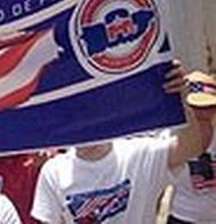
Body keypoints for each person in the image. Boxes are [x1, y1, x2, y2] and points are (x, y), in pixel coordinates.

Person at [31, 62, 215, 224]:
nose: (83, 126)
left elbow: (192, 147)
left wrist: (182, 101)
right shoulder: (53, 171)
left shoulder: (141, 154)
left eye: (90, 114)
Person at [167, 69, 216, 224]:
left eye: (208, 107)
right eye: (195, 106)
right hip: (183, 217)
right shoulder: (171, 139)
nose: (202, 113)